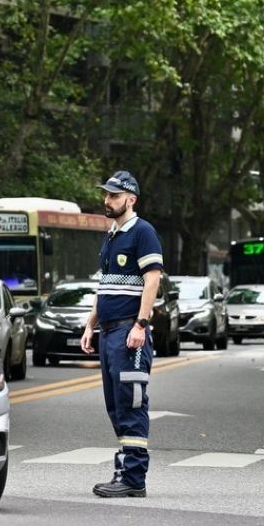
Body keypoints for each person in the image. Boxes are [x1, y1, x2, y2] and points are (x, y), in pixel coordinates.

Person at [79, 170, 164, 498]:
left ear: (131, 199)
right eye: (106, 194)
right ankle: (125, 471)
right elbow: (104, 286)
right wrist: (91, 325)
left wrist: (140, 324)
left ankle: (133, 477)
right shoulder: (112, 235)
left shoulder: (143, 232)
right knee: (116, 404)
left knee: (131, 402)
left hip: (129, 331)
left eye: (114, 196)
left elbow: (152, 280)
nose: (107, 200)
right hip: (109, 332)